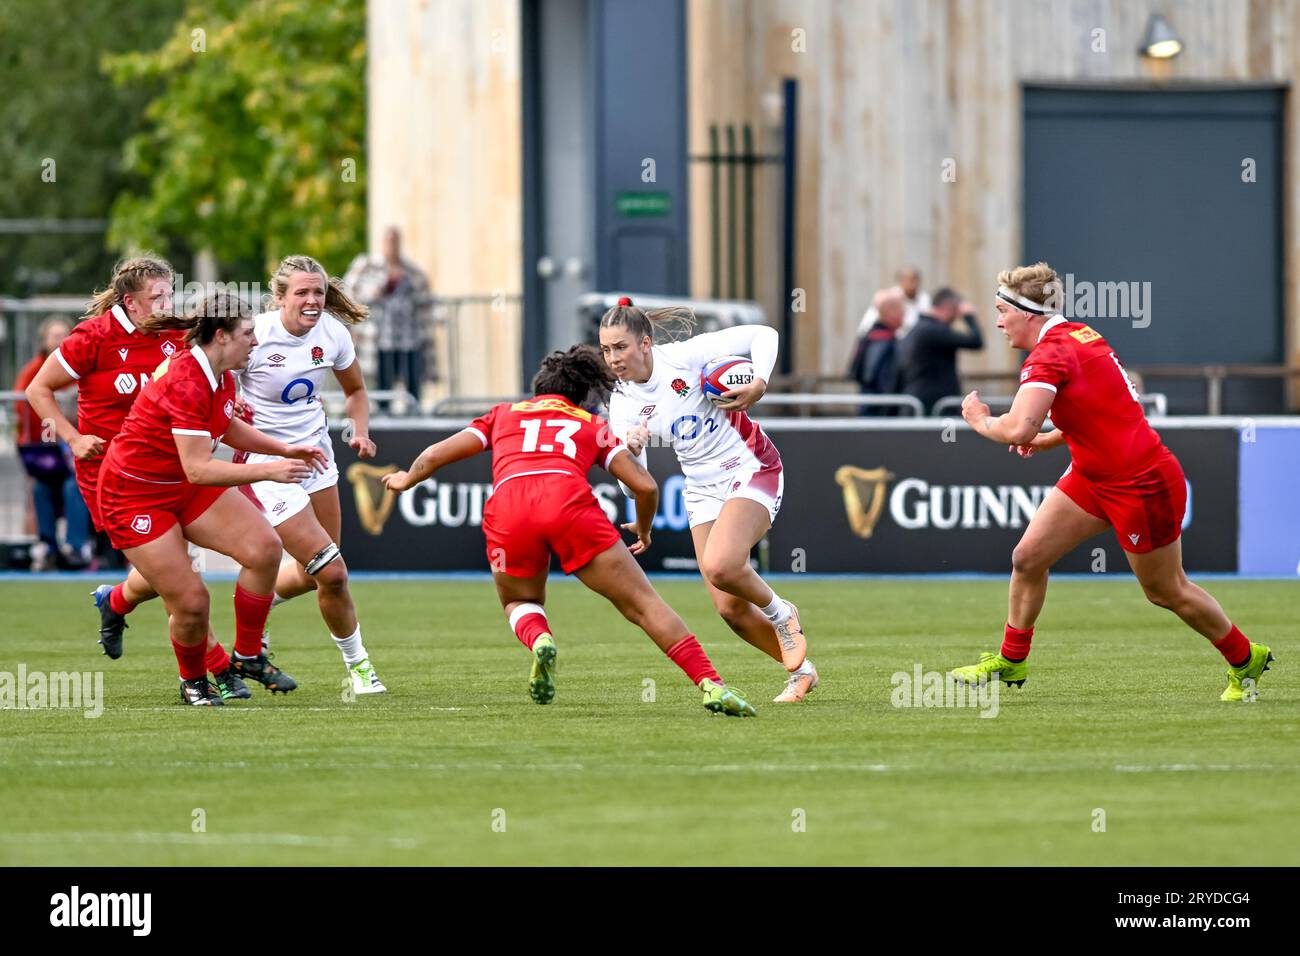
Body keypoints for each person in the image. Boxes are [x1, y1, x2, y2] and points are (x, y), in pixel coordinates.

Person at [952, 261, 1273, 702]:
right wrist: (1051, 441)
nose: (998, 321)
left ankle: (1244, 658)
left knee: (1166, 591)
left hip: (1141, 482)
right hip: (1092, 474)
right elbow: (1105, 408)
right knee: (1027, 558)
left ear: (1026, 314)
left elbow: (1015, 429)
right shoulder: (1082, 336)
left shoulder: (1050, 354)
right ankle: (1012, 661)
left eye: (1001, 311)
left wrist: (978, 420)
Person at [382, 344, 756, 717]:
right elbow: (645, 486)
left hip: (509, 507)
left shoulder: (503, 414)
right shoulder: (590, 424)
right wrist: (643, 530)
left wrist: (405, 479)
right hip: (568, 504)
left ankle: (541, 638)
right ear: (586, 395)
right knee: (644, 605)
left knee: (519, 601)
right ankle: (711, 684)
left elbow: (432, 456)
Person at [99, 291, 326, 705]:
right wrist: (269, 469)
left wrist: (284, 449)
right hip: (133, 494)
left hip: (180, 484)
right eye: (247, 333)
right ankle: (194, 683)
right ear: (221, 336)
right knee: (191, 600)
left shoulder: (220, 372)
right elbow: (199, 468)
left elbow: (225, 429)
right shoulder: (188, 379)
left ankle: (247, 655)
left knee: (264, 549)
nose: (255, 342)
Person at [599, 297, 818, 703]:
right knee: (729, 609)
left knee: (721, 564)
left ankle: (783, 614)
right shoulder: (622, 400)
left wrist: (760, 383)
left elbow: (763, 335)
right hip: (701, 487)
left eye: (621, 347)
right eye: (607, 349)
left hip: (750, 466)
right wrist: (631, 449)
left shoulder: (683, 357)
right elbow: (634, 486)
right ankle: (802, 673)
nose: (613, 358)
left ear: (645, 343)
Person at [235, 254, 385, 695]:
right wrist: (233, 409)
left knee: (312, 572)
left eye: (318, 292)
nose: (312, 300)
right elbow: (216, 383)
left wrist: (359, 432)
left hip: (316, 461)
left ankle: (252, 613)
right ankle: (360, 669)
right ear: (279, 298)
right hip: (267, 467)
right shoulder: (255, 335)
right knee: (334, 572)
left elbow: (355, 390)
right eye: (301, 292)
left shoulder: (334, 334)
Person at [14, 316, 92, 570]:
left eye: (63, 336)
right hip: (51, 451)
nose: (59, 341)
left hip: (80, 448)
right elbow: (26, 404)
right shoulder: (32, 373)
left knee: (74, 485)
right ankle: (47, 547)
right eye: (53, 336)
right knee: (40, 487)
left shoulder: (82, 367)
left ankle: (76, 547)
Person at [343, 226, 433, 410]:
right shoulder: (366, 265)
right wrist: (375, 290)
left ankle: (413, 413)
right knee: (383, 381)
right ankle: (382, 413)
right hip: (379, 337)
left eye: (395, 240)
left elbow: (424, 295)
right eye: (388, 240)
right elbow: (349, 291)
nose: (392, 245)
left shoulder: (410, 270)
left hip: (409, 337)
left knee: (412, 379)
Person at [897, 287, 983, 415]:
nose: (955, 317)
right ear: (948, 307)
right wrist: (968, 316)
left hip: (922, 401)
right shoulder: (933, 330)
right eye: (955, 312)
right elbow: (975, 342)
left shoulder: (920, 328)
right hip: (933, 405)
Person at [847, 287, 905, 415]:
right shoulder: (882, 340)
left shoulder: (870, 336)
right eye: (901, 310)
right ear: (890, 312)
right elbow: (876, 378)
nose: (904, 314)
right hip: (879, 411)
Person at [855, 267, 931, 342]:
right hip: (892, 342)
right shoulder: (889, 298)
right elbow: (867, 324)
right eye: (907, 280)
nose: (911, 283)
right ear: (900, 281)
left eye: (914, 279)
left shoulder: (925, 299)